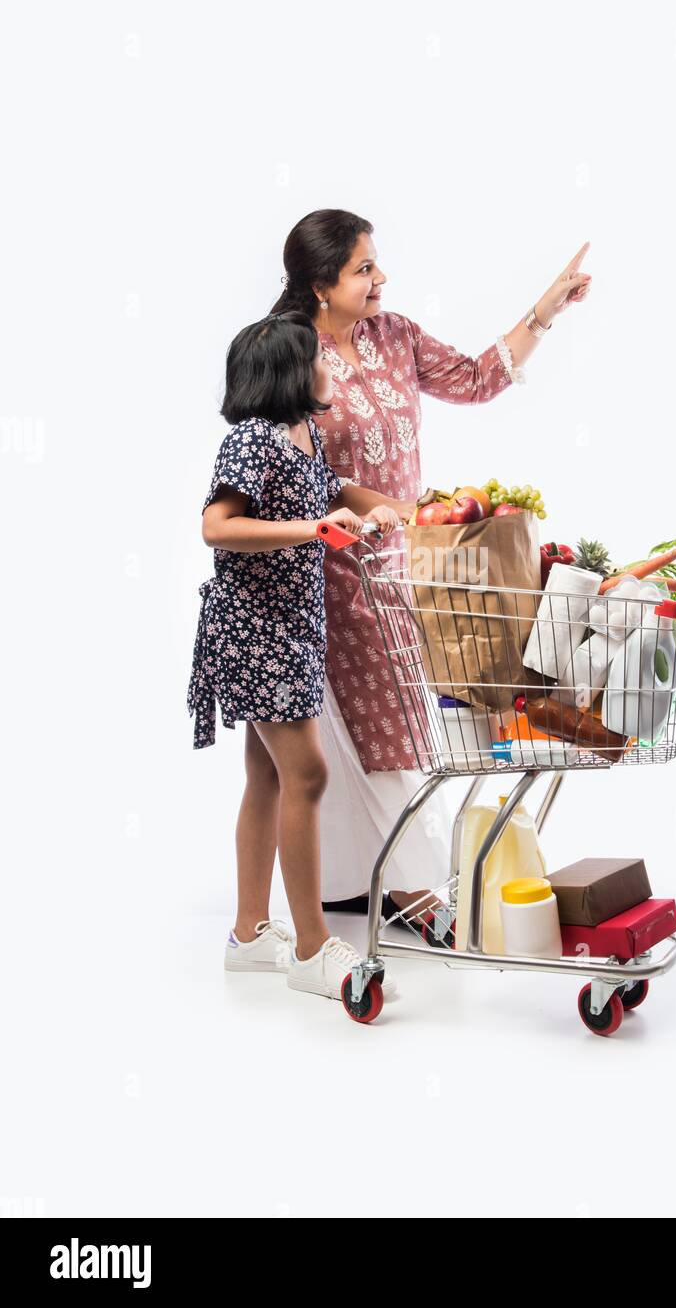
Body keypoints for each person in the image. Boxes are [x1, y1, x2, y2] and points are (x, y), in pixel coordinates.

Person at [268, 210, 592, 921]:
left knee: (401, 722)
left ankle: (364, 877)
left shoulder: (396, 336)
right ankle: (413, 891)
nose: (381, 277)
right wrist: (386, 509)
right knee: (381, 728)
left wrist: (544, 310)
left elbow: (476, 380)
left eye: (376, 264)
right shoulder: (290, 354)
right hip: (334, 565)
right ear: (321, 283)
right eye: (363, 268)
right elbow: (294, 470)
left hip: (409, 564)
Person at [187, 310, 408, 1001]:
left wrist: (402, 508)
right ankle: (311, 947)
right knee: (305, 773)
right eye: (319, 358)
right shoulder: (250, 442)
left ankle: (250, 935)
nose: (328, 367)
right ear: (289, 371)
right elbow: (216, 527)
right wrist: (309, 529)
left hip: (293, 625)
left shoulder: (304, 434)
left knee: (269, 776)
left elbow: (337, 489)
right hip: (255, 630)